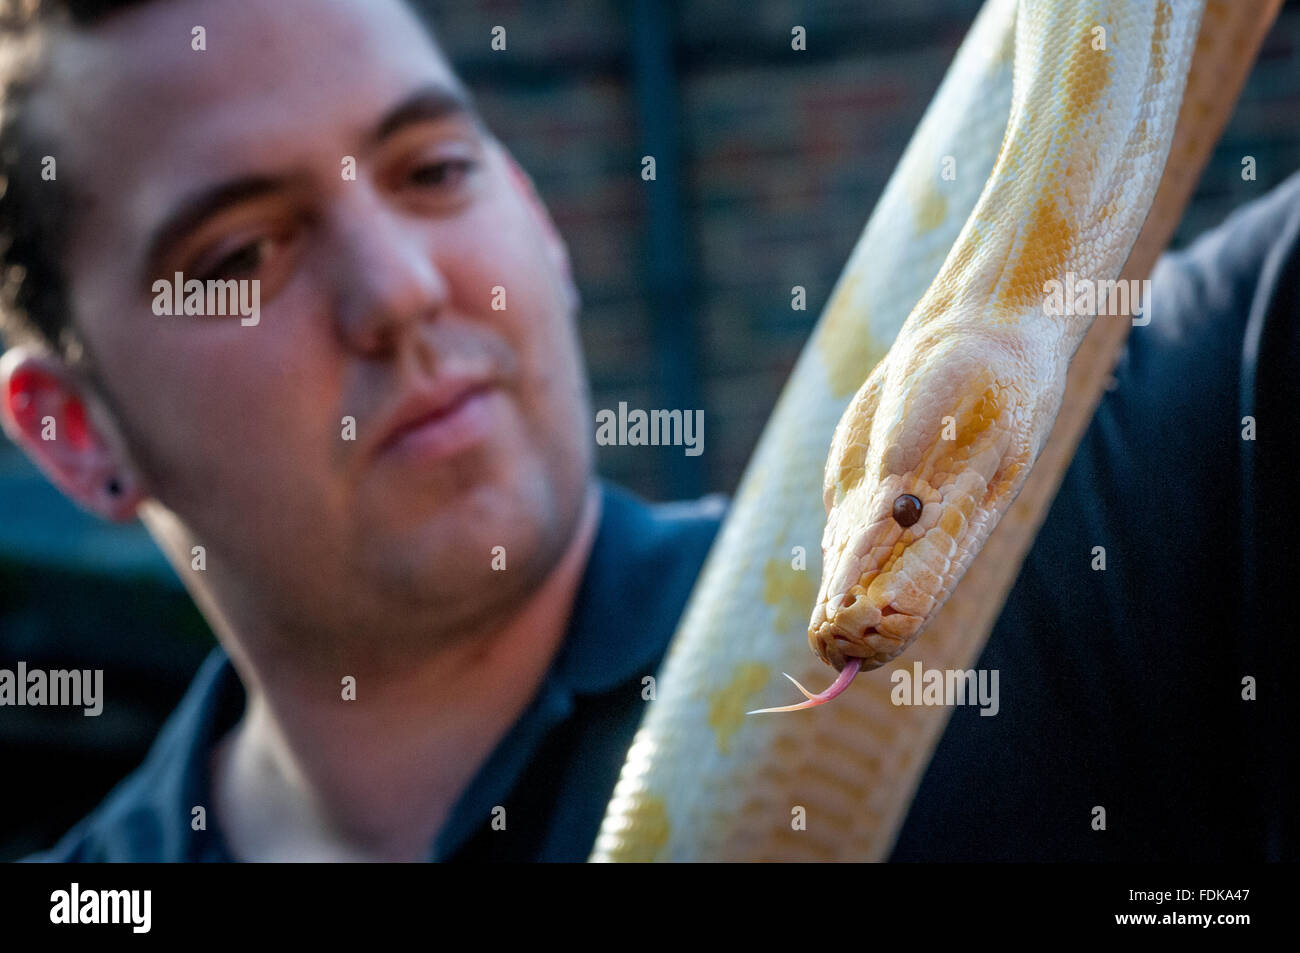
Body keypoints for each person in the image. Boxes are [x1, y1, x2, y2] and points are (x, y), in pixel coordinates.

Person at [3, 0, 1292, 862]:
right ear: (68, 433)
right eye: (242, 252)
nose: (399, 289)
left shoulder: (1078, 527)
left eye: (432, 171)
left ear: (536, 215)